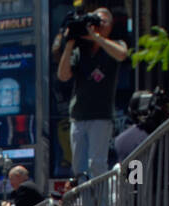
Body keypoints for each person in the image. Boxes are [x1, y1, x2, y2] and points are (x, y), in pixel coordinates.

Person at [55, 7, 129, 182]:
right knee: (78, 167)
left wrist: (97, 38)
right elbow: (63, 75)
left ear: (110, 26)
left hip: (101, 115)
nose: (97, 25)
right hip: (78, 116)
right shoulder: (81, 50)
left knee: (97, 163)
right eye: (95, 21)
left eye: (102, 22)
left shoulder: (113, 45)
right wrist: (70, 43)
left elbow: (122, 54)